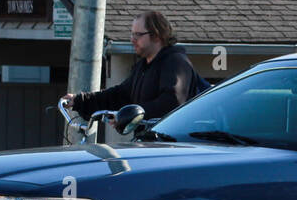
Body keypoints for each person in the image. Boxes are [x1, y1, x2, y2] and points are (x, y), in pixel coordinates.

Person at [63, 11, 208, 122]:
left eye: (138, 35)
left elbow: (172, 102)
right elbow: (120, 95)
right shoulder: (143, 67)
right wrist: (80, 100)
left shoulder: (175, 62)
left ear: (156, 36)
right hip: (147, 143)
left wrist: (132, 114)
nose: (132, 40)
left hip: (170, 146)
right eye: (132, 34)